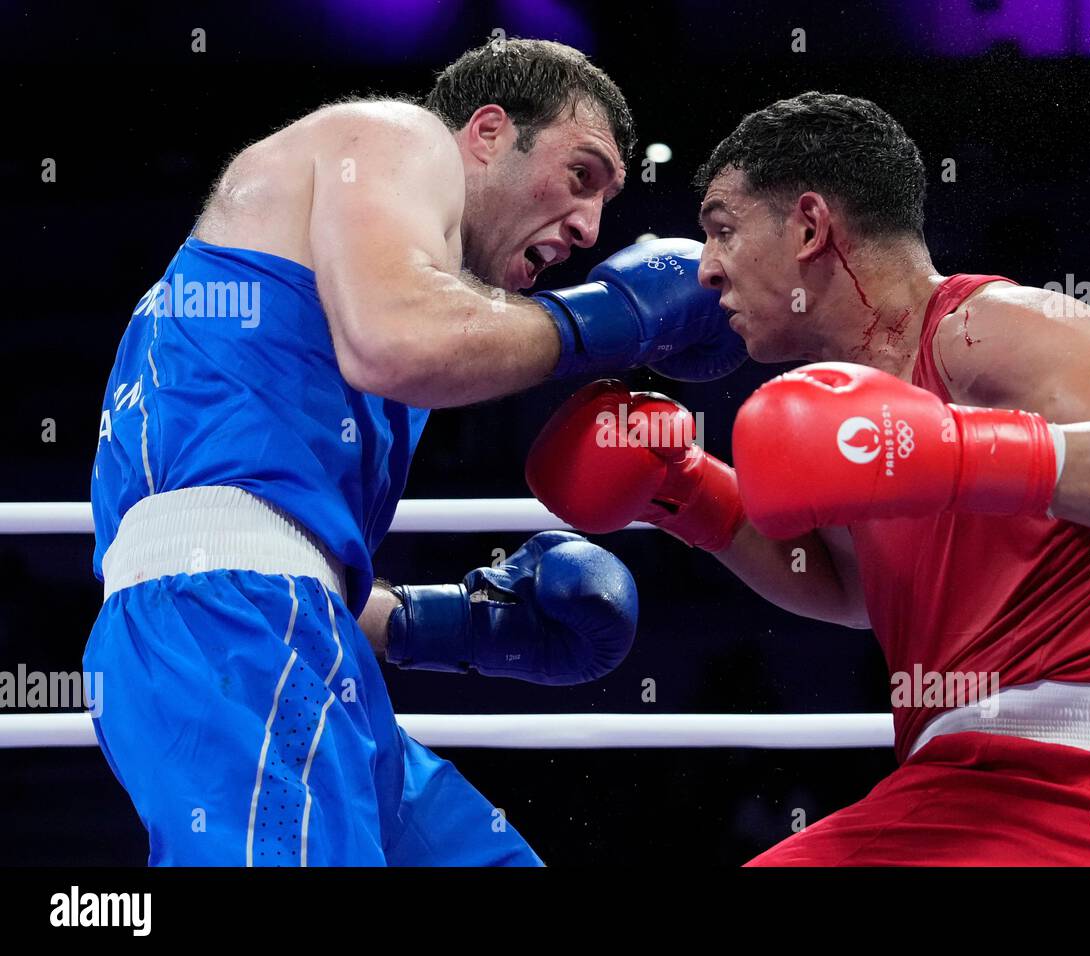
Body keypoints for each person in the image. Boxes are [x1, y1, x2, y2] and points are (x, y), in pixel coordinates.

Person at [526, 91, 1090, 865]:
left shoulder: (990, 330)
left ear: (810, 227)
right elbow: (851, 591)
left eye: (722, 231)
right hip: (956, 790)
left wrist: (958, 450)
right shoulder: (843, 410)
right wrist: (690, 491)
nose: (706, 269)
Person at [84, 37, 742, 866]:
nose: (589, 226)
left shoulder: (355, 305)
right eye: (582, 175)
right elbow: (390, 348)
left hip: (280, 630)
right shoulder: (391, 138)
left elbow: (264, 540)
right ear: (489, 131)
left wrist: (464, 626)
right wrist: (617, 316)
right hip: (234, 633)